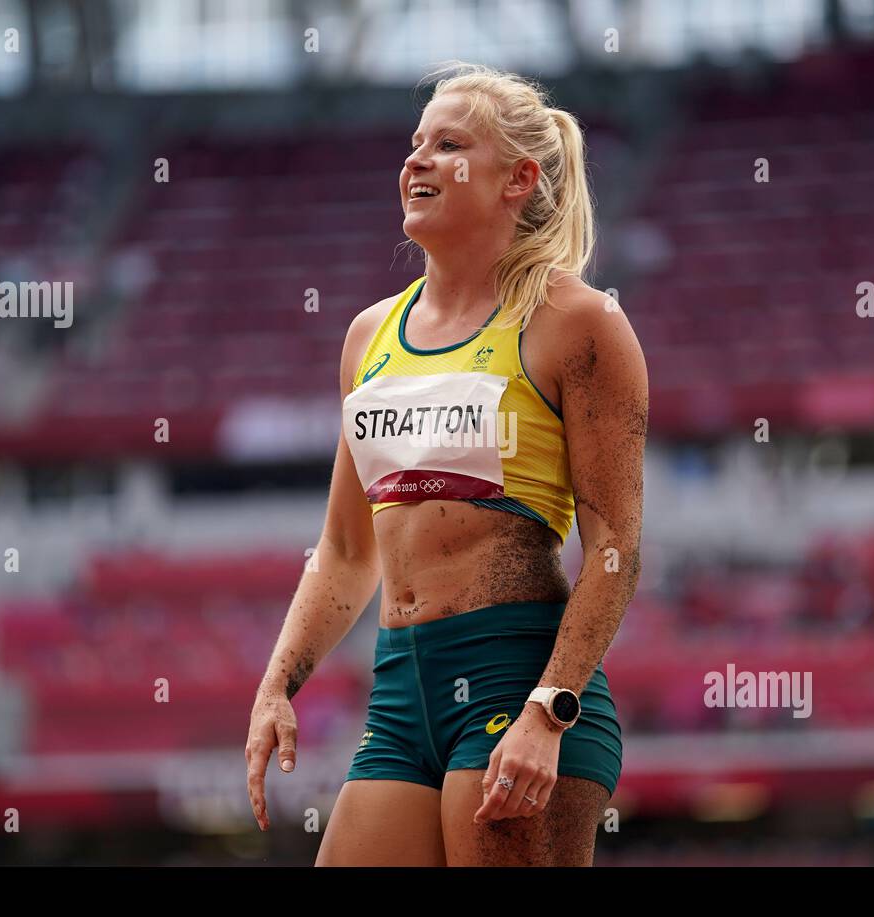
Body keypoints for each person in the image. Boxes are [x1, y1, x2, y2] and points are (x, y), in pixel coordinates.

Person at [246, 61, 648, 866]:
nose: (415, 160)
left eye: (448, 144)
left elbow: (615, 544)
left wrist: (549, 710)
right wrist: (278, 684)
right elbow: (348, 550)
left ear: (518, 179)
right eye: (414, 143)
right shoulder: (369, 337)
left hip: (517, 678)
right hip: (400, 697)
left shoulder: (578, 323)